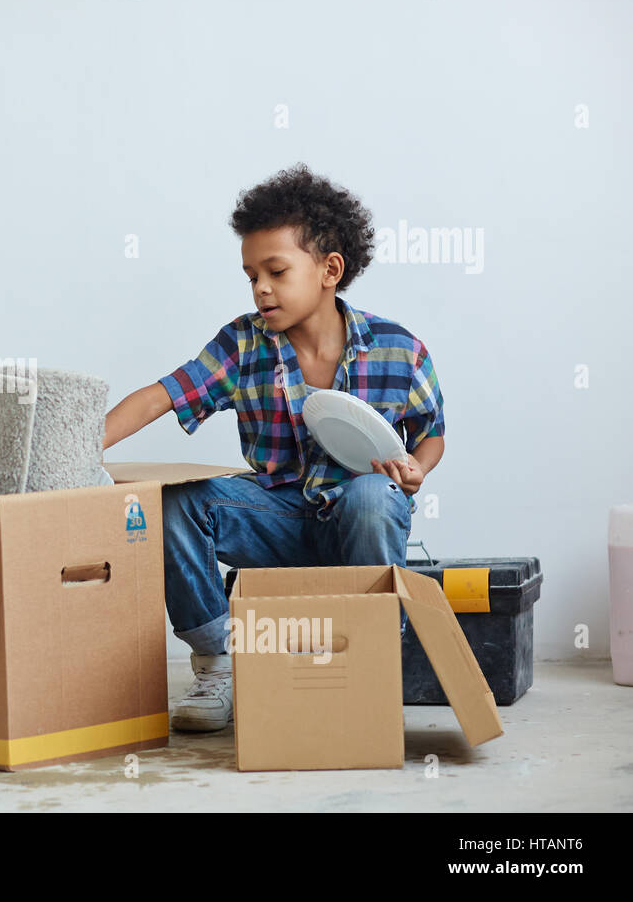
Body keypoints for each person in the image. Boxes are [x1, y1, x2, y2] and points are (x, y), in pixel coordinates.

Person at [103, 164, 446, 732]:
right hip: (276, 520)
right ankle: (219, 661)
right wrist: (80, 447)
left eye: (276, 271)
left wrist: (416, 469)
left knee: (370, 495)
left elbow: (431, 431)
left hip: (359, 521)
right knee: (175, 502)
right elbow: (163, 395)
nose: (261, 287)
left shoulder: (398, 349)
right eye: (251, 275)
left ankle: (368, 661)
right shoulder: (243, 343)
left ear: (329, 270)